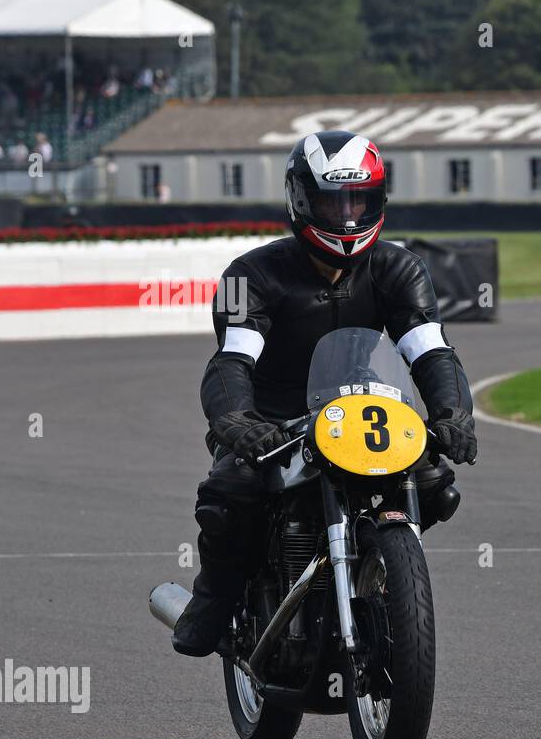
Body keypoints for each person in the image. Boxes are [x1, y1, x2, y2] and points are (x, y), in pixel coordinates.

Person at [171, 130, 477, 657]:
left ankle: (383, 576)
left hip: (359, 408)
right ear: (299, 199)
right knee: (229, 496)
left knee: (434, 484)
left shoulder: (399, 268)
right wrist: (237, 420)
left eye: (358, 199)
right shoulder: (251, 275)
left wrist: (453, 414)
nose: (346, 215)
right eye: (332, 200)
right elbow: (232, 359)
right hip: (270, 422)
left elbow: (430, 351)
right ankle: (214, 601)